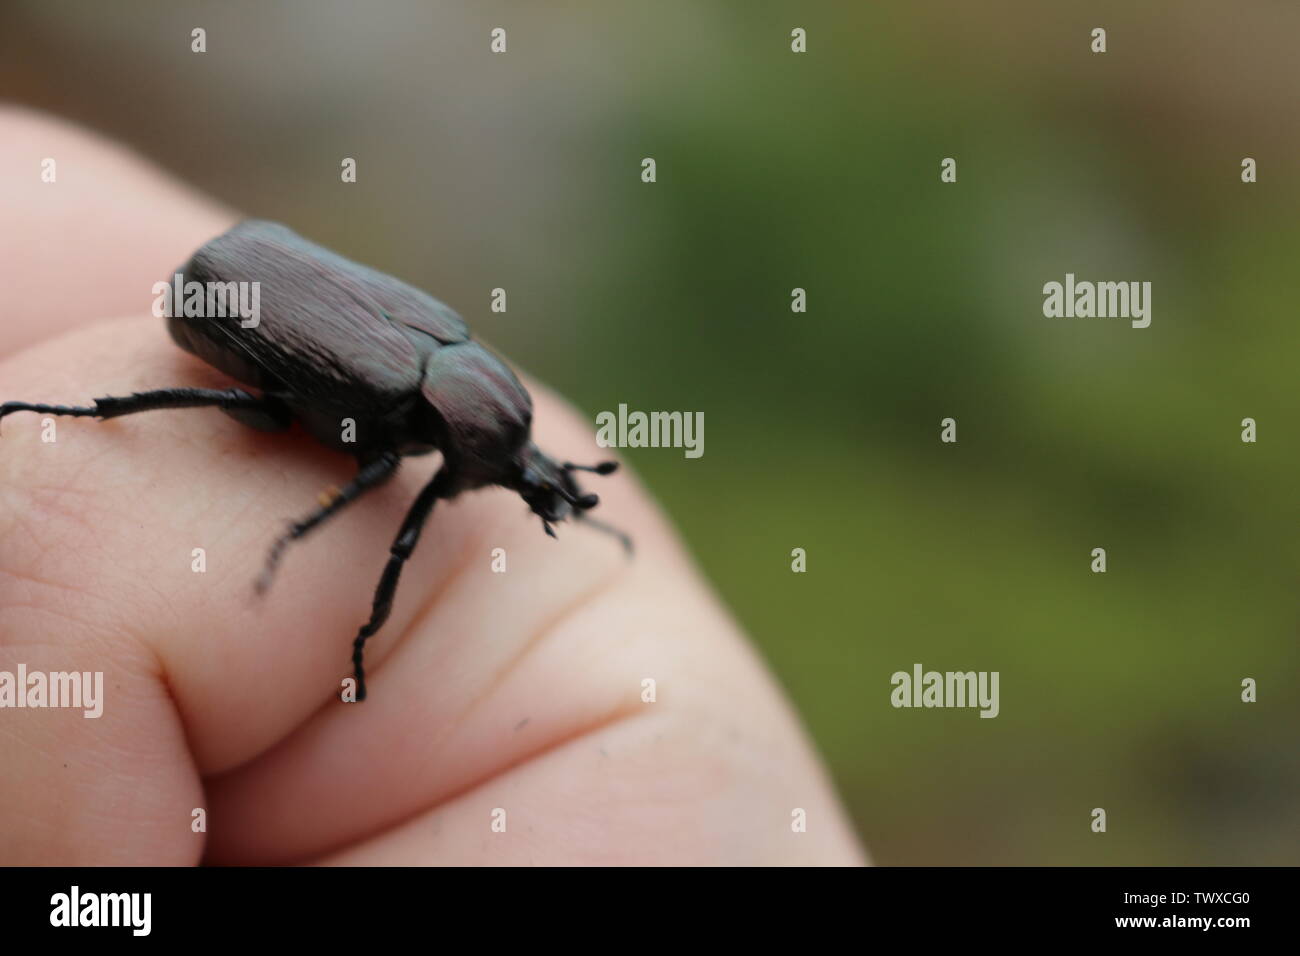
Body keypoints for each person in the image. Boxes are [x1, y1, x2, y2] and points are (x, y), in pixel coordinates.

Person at [0, 106, 864, 865]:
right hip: (221, 303)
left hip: (253, 267)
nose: (529, 480)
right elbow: (378, 525)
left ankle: (88, 413)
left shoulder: (454, 365)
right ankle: (91, 410)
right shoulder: (397, 403)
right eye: (530, 476)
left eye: (530, 476)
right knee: (225, 408)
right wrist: (303, 536)